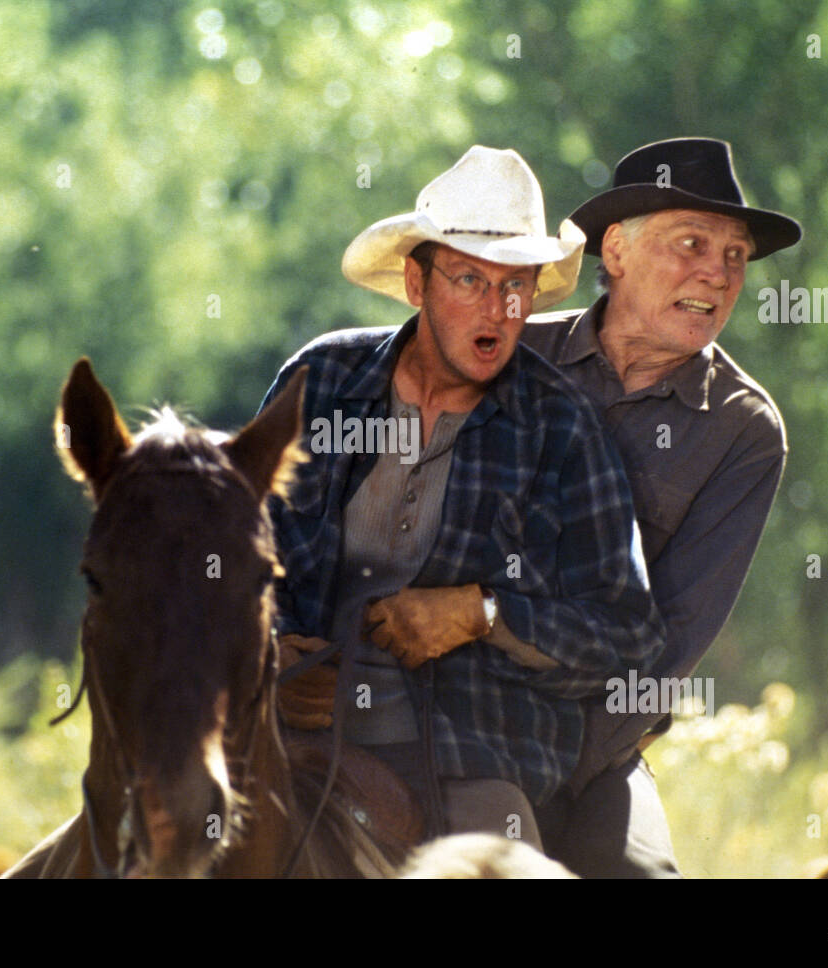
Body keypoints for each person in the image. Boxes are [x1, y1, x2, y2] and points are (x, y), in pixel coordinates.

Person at [265, 146, 665, 848]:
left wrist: (484, 613)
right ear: (416, 282)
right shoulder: (319, 380)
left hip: (468, 757)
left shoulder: (561, 428)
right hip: (280, 730)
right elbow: (232, 551)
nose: (498, 308)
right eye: (470, 279)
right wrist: (265, 654)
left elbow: (629, 641)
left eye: (518, 286)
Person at [519, 137, 802, 876]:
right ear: (615, 250)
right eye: (691, 243)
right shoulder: (517, 354)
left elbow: (670, 643)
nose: (719, 270)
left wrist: (556, 773)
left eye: (736, 255)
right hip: (443, 704)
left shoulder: (743, 429)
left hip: (596, 746)